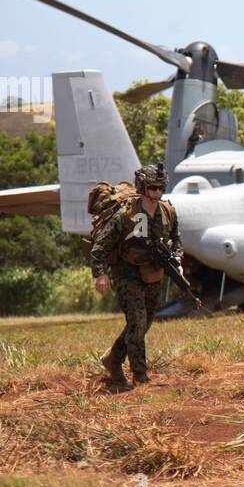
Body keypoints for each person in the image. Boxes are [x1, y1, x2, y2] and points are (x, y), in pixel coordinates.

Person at [91, 163, 182, 387]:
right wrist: (101, 274)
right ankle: (140, 375)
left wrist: (177, 260)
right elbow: (99, 247)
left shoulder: (167, 211)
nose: (157, 193)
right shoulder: (126, 214)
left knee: (144, 322)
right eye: (152, 188)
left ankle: (113, 359)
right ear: (142, 186)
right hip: (127, 272)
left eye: (161, 188)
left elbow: (177, 241)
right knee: (138, 321)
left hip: (153, 273)